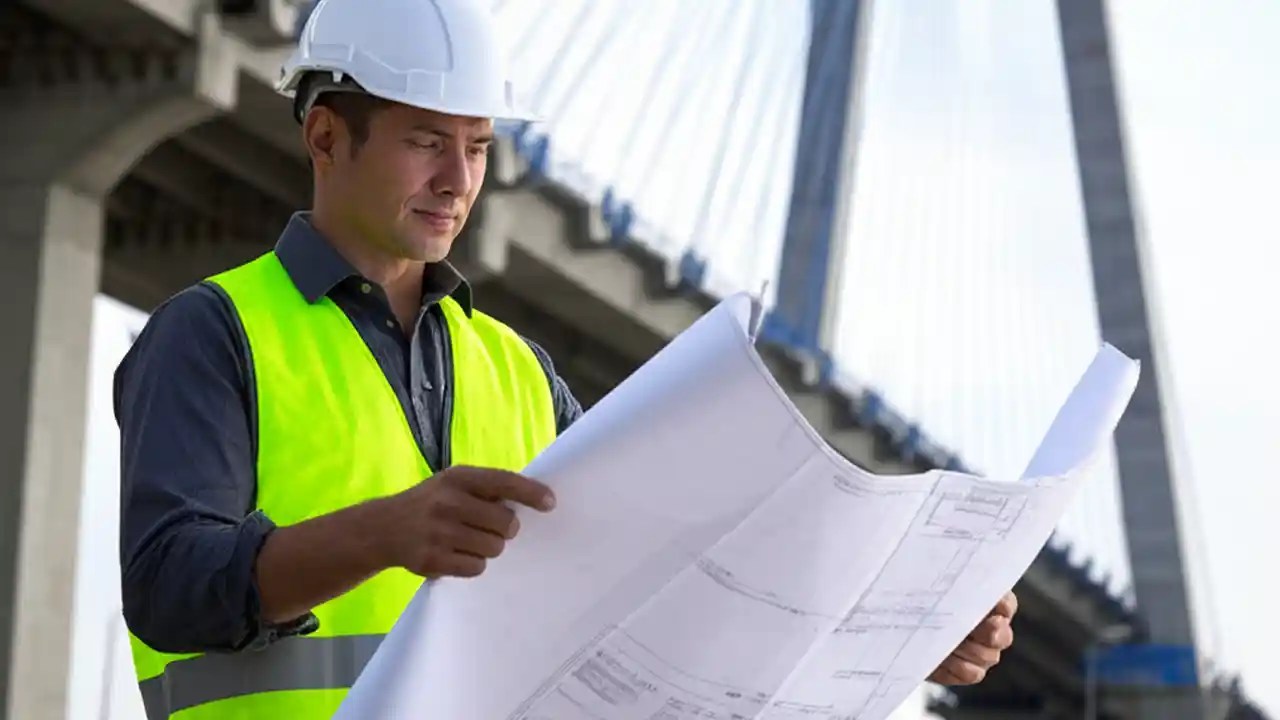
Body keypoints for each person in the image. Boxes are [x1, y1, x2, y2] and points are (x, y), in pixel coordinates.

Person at [114, 0, 1017, 717]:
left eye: (476, 147)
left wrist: (896, 631)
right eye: (426, 140)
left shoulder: (519, 371)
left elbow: (668, 580)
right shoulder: (212, 332)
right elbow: (167, 587)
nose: (458, 180)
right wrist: (385, 533)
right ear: (324, 138)